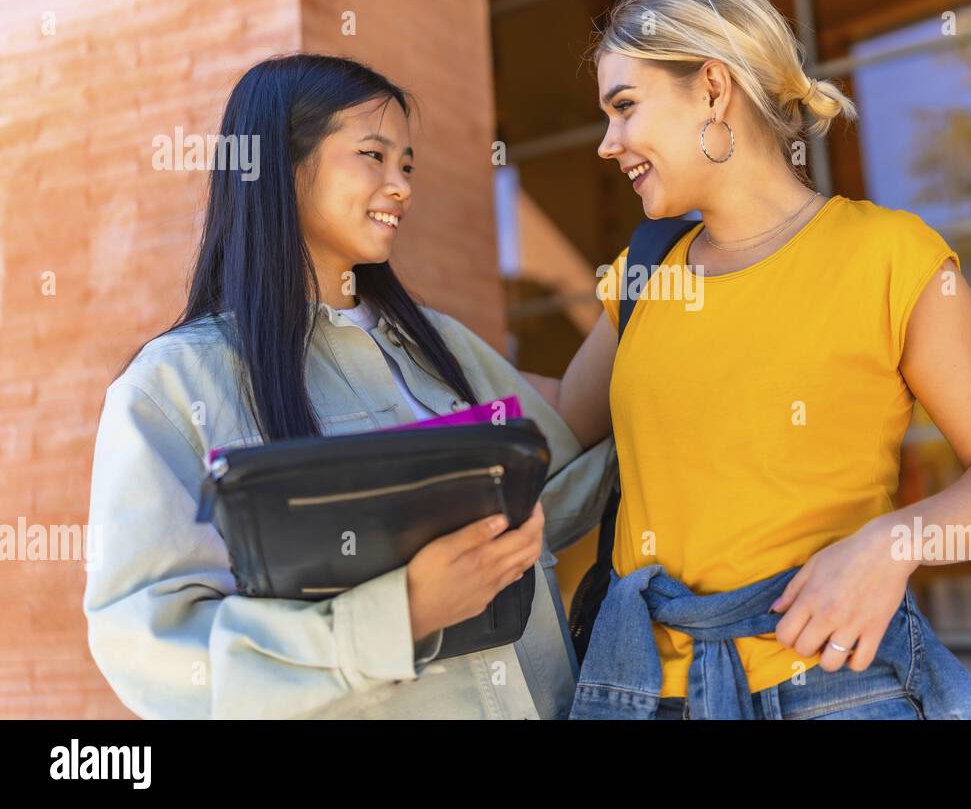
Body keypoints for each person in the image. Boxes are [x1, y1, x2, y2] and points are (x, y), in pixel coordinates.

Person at [546, 0, 971, 719]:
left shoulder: (886, 255)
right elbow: (564, 409)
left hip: (835, 687)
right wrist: (390, 344)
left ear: (713, 90)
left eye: (624, 107)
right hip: (647, 694)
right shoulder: (644, 274)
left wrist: (893, 544)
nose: (608, 143)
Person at [84, 53, 615, 719]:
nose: (402, 185)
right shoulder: (172, 385)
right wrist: (401, 616)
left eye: (408, 165)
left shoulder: (437, 344)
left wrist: (658, 270)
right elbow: (150, 646)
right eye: (374, 155)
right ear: (280, 162)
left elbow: (562, 437)